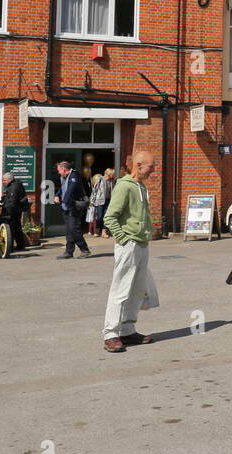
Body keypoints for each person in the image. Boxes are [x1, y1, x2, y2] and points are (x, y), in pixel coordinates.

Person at [101, 151, 159, 353]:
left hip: (142, 244)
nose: (154, 170)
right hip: (130, 245)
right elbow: (110, 217)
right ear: (139, 165)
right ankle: (110, 334)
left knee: (136, 289)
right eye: (151, 166)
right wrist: (123, 238)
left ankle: (127, 330)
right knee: (120, 289)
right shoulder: (124, 186)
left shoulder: (140, 186)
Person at [53, 160, 91, 259]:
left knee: (74, 229)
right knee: (69, 230)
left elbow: (71, 189)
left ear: (64, 169)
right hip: (66, 207)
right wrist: (57, 195)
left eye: (59, 170)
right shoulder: (64, 177)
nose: (58, 172)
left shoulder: (74, 176)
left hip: (73, 207)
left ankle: (85, 250)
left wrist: (64, 200)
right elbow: (62, 189)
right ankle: (69, 251)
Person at [0, 172, 30, 252]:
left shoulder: (14, 187)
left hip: (13, 211)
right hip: (17, 209)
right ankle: (20, 245)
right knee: (17, 228)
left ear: (10, 179)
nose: (3, 182)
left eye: (4, 180)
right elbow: (9, 198)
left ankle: (10, 247)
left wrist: (7, 213)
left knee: (11, 228)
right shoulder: (13, 185)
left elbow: (12, 202)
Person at [88, 168, 114, 237]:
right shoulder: (100, 179)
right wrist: (92, 201)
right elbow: (94, 190)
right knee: (99, 216)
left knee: (106, 216)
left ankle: (104, 232)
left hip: (108, 200)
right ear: (108, 173)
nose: (113, 175)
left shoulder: (112, 181)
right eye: (112, 173)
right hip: (99, 200)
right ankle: (97, 230)